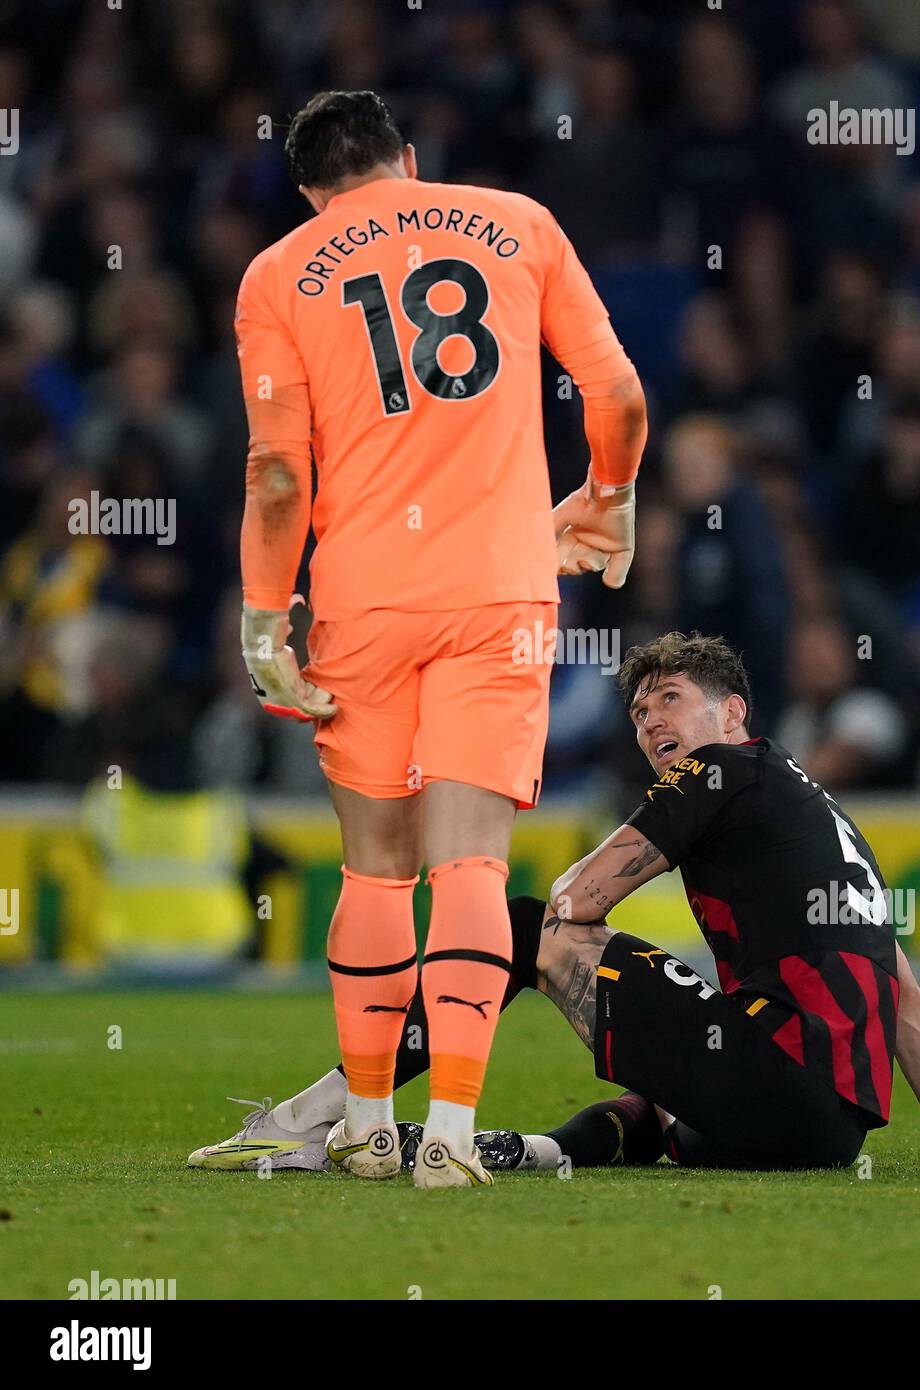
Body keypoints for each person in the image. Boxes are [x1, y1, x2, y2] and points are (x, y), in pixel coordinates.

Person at [233, 90, 646, 1188]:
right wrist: (608, 493)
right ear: (409, 158)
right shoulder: (516, 220)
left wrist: (264, 611)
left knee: (377, 872)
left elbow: (278, 471)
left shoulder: (279, 272)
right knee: (470, 859)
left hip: (362, 599)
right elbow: (616, 390)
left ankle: (369, 1126)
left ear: (311, 190)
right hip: (496, 592)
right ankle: (449, 1141)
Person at [188, 633, 920, 1173]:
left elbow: (578, 901)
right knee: (657, 1104)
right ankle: (529, 1150)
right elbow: (901, 996)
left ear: (733, 713)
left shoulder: (716, 771)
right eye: (641, 711)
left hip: (770, 1081)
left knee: (517, 924)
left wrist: (571, 930)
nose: (652, 723)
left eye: (671, 699)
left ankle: (332, 1110)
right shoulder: (825, 816)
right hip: (825, 1133)